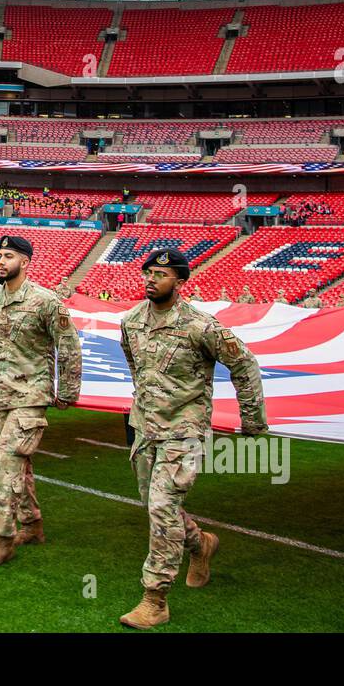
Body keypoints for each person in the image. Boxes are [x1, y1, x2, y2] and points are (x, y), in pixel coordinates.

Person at [117, 249, 266, 629]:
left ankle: (155, 598)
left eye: (161, 274)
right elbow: (137, 368)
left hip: (184, 431)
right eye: (148, 272)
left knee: (162, 506)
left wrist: (253, 421)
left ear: (181, 282)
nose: (151, 279)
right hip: (145, 427)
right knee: (154, 505)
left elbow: (244, 363)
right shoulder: (131, 321)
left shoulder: (200, 325)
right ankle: (201, 545)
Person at [0, 236, 81, 566]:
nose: (1, 261)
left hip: (31, 398)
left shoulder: (45, 301)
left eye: (9, 256)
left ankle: (2, 538)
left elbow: (70, 346)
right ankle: (32, 525)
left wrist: (67, 391)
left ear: (26, 262)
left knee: (8, 463)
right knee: (20, 465)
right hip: (2, 396)